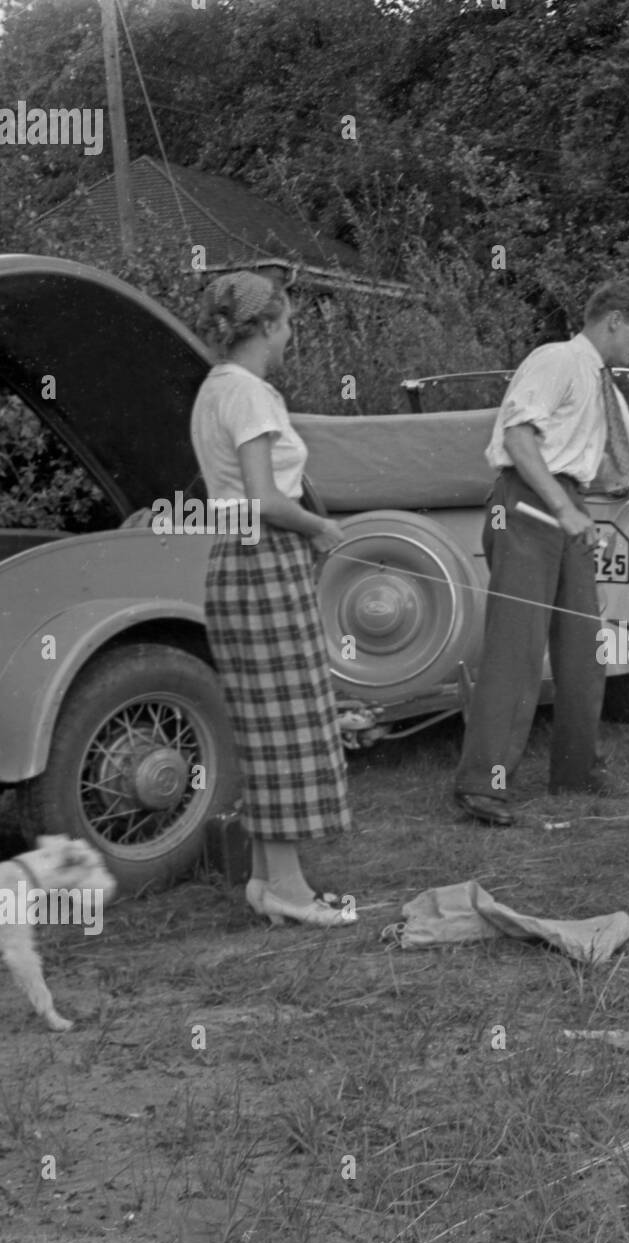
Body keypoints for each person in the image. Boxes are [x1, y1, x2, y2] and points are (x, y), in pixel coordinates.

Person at [453, 280, 629, 827]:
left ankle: (576, 770)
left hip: (569, 509)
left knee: (586, 646)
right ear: (613, 319)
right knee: (517, 648)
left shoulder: (604, 386)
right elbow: (517, 439)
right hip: (528, 505)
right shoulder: (556, 359)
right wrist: (564, 511)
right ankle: (481, 784)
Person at [190, 271, 355, 926]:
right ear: (263, 327)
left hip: (234, 562)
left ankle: (266, 879)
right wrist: (320, 528)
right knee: (288, 724)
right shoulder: (251, 395)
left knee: (266, 724)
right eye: (287, 325)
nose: (291, 337)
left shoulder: (214, 390)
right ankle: (288, 889)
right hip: (264, 559)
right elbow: (263, 499)